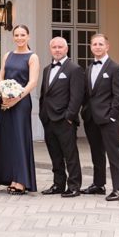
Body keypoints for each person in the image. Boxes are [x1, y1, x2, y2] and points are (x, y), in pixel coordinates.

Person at [0, 25, 40, 194]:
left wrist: (17, 97)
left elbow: (32, 82)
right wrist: (3, 93)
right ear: (13, 37)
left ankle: (21, 181)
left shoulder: (32, 57)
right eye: (16, 35)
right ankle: (9, 177)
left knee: (19, 139)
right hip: (6, 100)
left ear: (28, 36)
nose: (19, 38)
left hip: (21, 103)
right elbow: (0, 76)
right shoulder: (7, 55)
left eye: (22, 35)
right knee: (7, 139)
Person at [81, 33, 119, 202]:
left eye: (101, 44)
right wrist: (84, 111)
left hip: (108, 118)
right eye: (94, 44)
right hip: (91, 118)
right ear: (91, 47)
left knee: (114, 153)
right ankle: (99, 184)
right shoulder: (88, 68)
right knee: (96, 153)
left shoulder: (116, 68)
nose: (97, 47)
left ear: (107, 47)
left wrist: (113, 116)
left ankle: (118, 188)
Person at [38, 36, 85, 198]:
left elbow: (77, 96)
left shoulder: (74, 69)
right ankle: (58, 184)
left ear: (66, 49)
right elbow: (44, 95)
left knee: (70, 154)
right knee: (55, 154)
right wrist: (42, 114)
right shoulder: (46, 69)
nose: (57, 50)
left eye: (60, 47)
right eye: (54, 47)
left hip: (65, 120)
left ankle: (74, 186)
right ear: (50, 49)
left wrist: (69, 117)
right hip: (48, 119)